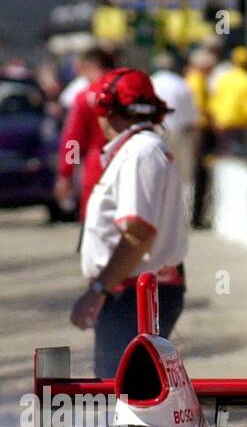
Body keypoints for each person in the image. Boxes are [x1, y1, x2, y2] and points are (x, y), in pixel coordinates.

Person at [70, 69, 188, 378]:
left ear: (109, 111)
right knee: (127, 391)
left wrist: (97, 290)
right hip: (135, 290)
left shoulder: (140, 152)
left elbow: (138, 234)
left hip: (135, 293)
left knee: (119, 394)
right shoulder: (145, 148)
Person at [55, 47, 115, 218]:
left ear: (92, 65)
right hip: (130, 162)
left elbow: (73, 140)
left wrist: (67, 172)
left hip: (97, 165)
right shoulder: (127, 91)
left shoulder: (86, 96)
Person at [150, 51, 198, 193]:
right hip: (179, 133)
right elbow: (192, 118)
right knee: (183, 178)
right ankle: (183, 213)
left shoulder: (151, 81)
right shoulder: (181, 83)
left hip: (156, 132)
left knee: (157, 175)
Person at [186, 48, 218, 228]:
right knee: (200, 175)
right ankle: (197, 216)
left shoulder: (195, 79)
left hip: (197, 131)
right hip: (200, 132)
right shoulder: (197, 81)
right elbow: (199, 109)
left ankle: (197, 215)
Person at [208, 45, 247, 152]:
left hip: (221, 125)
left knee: (224, 154)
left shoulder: (225, 78)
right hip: (239, 127)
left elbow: (214, 101)